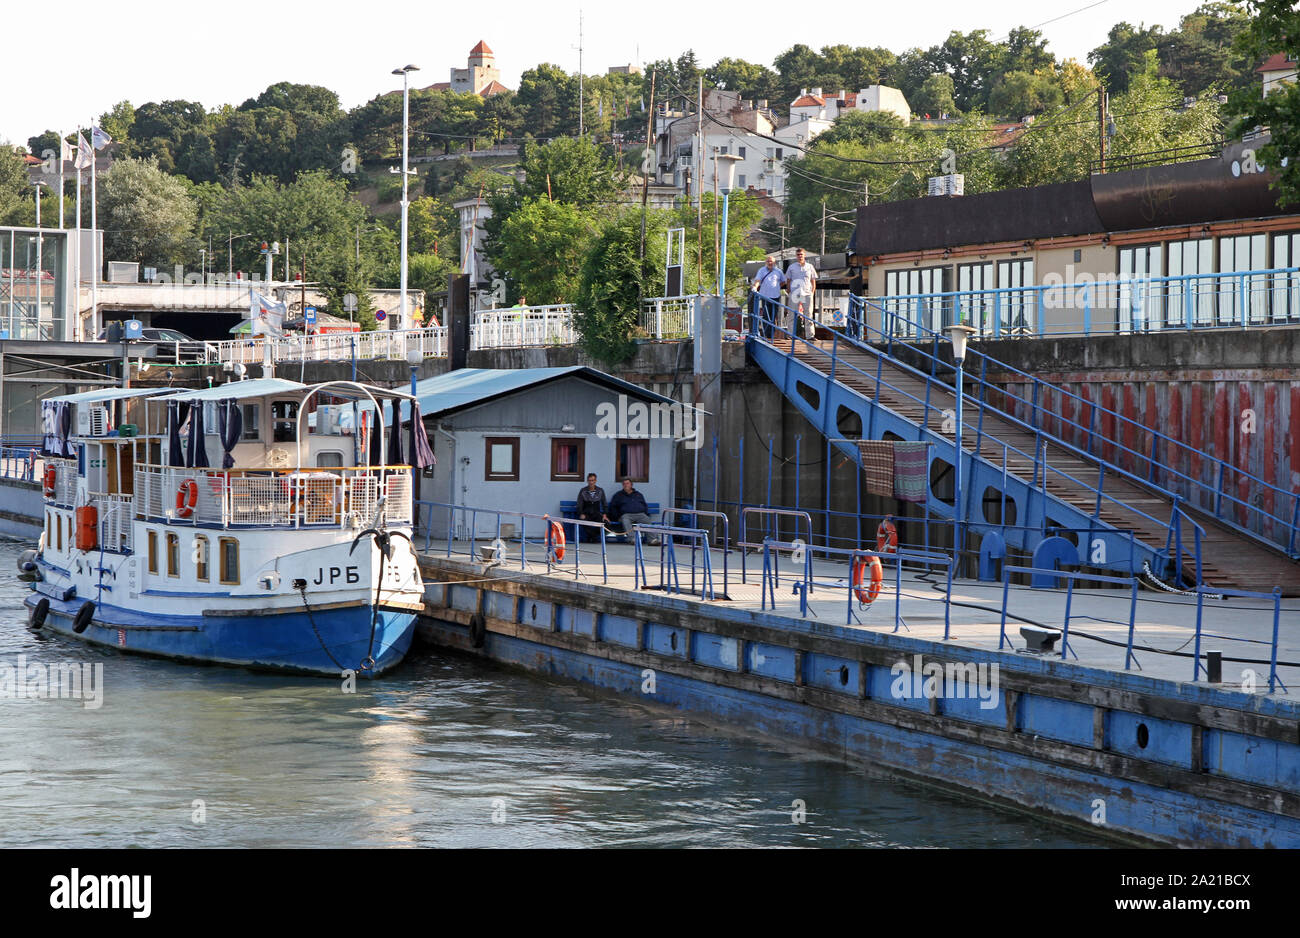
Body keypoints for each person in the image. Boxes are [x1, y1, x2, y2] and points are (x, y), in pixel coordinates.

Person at [608, 477, 658, 544]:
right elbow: (613, 507)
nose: (626, 485)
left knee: (647, 520)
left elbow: (644, 505)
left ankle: (652, 540)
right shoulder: (618, 495)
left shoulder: (638, 494)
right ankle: (632, 539)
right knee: (625, 520)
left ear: (631, 484)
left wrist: (645, 514)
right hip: (626, 515)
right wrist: (617, 516)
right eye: (624, 484)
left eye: (627, 483)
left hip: (640, 514)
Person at [785, 248, 818, 338]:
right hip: (795, 293)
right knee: (791, 314)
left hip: (807, 293)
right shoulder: (791, 267)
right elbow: (788, 280)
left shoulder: (810, 266)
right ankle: (790, 335)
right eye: (798, 255)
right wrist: (789, 291)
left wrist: (812, 292)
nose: (800, 256)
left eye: (801, 254)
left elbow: (813, 280)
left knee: (808, 315)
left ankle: (810, 336)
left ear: (804, 255)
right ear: (796, 256)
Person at [751, 255, 785, 338]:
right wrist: (755, 287)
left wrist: (776, 287)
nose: (770, 263)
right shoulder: (762, 270)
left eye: (771, 261)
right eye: (768, 261)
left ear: (774, 262)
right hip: (765, 296)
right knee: (766, 315)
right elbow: (758, 280)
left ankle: (771, 335)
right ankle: (767, 335)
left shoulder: (778, 271)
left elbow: (783, 281)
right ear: (766, 262)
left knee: (774, 316)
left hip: (775, 296)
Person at [575, 473, 606, 542]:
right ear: (587, 481)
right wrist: (581, 513)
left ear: (595, 481)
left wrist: (605, 514)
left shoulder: (600, 490)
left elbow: (604, 504)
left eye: (593, 480)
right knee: (583, 521)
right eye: (589, 480)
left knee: (605, 522)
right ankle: (594, 538)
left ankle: (592, 536)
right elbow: (579, 504)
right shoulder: (583, 491)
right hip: (586, 513)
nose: (591, 482)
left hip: (597, 513)